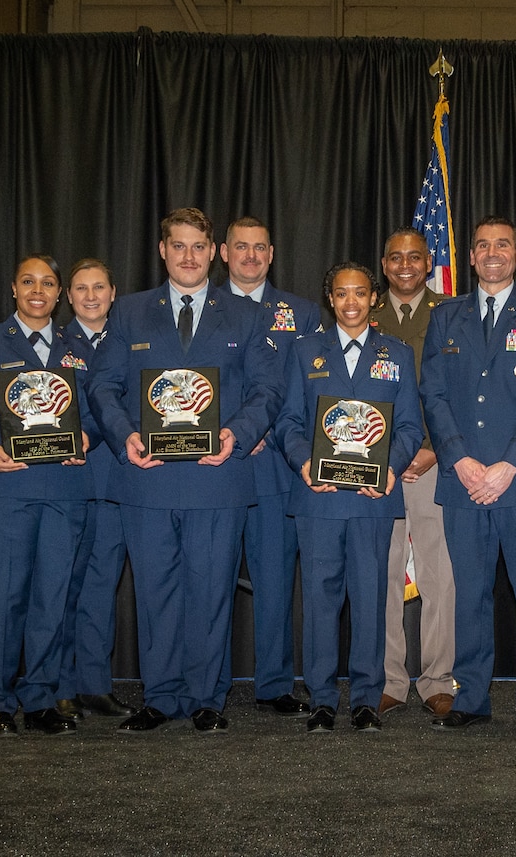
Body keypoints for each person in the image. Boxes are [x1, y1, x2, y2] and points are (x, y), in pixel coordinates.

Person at [88, 207, 284, 734]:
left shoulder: (244, 314)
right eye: (179, 246)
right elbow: (102, 386)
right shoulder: (128, 312)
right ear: (162, 250)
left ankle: (205, 698)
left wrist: (236, 435)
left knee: (212, 590)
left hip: (217, 477)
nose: (189, 256)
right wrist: (125, 433)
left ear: (212, 251)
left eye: (199, 246)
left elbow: (268, 391)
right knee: (154, 592)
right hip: (146, 478)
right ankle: (161, 696)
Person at [419, 216, 516, 733]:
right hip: (462, 481)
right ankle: (472, 697)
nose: (492, 252)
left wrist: (509, 465)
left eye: (502, 244)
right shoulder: (446, 316)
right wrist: (459, 459)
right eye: (482, 245)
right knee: (470, 595)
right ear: (472, 256)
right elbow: (433, 395)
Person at [0, 254, 94, 737]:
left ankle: (41, 697)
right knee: (4, 597)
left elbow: (95, 411)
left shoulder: (79, 347)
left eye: (48, 283)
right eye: (28, 281)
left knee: (53, 599)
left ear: (60, 294)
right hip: (7, 488)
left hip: (64, 491)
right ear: (13, 288)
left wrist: (88, 436)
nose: (38, 290)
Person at [275, 262, 423, 732]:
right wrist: (303, 462)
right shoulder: (304, 352)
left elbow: (410, 426)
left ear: (373, 297)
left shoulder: (396, 354)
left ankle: (364, 698)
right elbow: (288, 423)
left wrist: (390, 468)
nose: (352, 302)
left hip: (372, 498)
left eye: (360, 293)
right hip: (318, 497)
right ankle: (321, 698)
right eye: (342, 294)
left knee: (370, 598)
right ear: (331, 300)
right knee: (319, 601)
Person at [219, 216, 321, 717]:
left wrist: (264, 432)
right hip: (212, 465)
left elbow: (310, 390)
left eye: (260, 248)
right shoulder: (201, 308)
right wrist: (234, 430)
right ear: (224, 252)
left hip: (276, 464)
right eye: (242, 247)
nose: (251, 256)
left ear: (272, 253)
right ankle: (207, 684)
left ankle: (275, 685)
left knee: (277, 580)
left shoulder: (300, 314)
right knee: (209, 579)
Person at [369, 227, 456, 718]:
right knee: (383, 575)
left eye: (415, 258)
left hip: (431, 464)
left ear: (429, 263)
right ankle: (390, 679)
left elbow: (460, 390)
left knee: (438, 574)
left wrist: (434, 450)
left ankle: (438, 678)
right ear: (385, 264)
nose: (406, 265)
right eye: (396, 257)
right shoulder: (366, 315)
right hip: (377, 467)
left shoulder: (450, 314)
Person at [55, 258, 135, 720]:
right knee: (63, 585)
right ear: (68, 295)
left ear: (113, 291)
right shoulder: (54, 344)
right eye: (81, 288)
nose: (90, 296)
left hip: (113, 481)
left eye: (99, 287)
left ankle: (94, 684)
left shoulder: (128, 339)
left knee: (102, 587)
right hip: (67, 480)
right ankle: (60, 683)